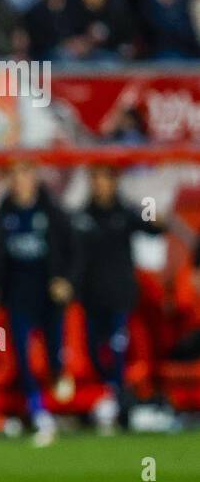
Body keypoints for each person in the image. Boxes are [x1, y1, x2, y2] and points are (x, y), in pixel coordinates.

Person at [0, 161, 74, 447]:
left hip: (48, 297)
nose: (19, 181)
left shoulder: (52, 212)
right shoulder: (1, 216)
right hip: (18, 297)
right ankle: (38, 412)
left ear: (33, 177)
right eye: (14, 176)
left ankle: (60, 394)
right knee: (21, 354)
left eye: (24, 174)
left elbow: (72, 250)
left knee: (54, 355)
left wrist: (65, 280)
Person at [69, 165, 166, 432]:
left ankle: (121, 400)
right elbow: (74, 256)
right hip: (92, 296)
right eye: (96, 179)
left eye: (105, 179)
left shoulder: (125, 212)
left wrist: (156, 216)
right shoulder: (82, 217)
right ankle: (115, 392)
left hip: (120, 295)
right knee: (93, 350)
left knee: (118, 347)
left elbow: (154, 227)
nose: (100, 185)